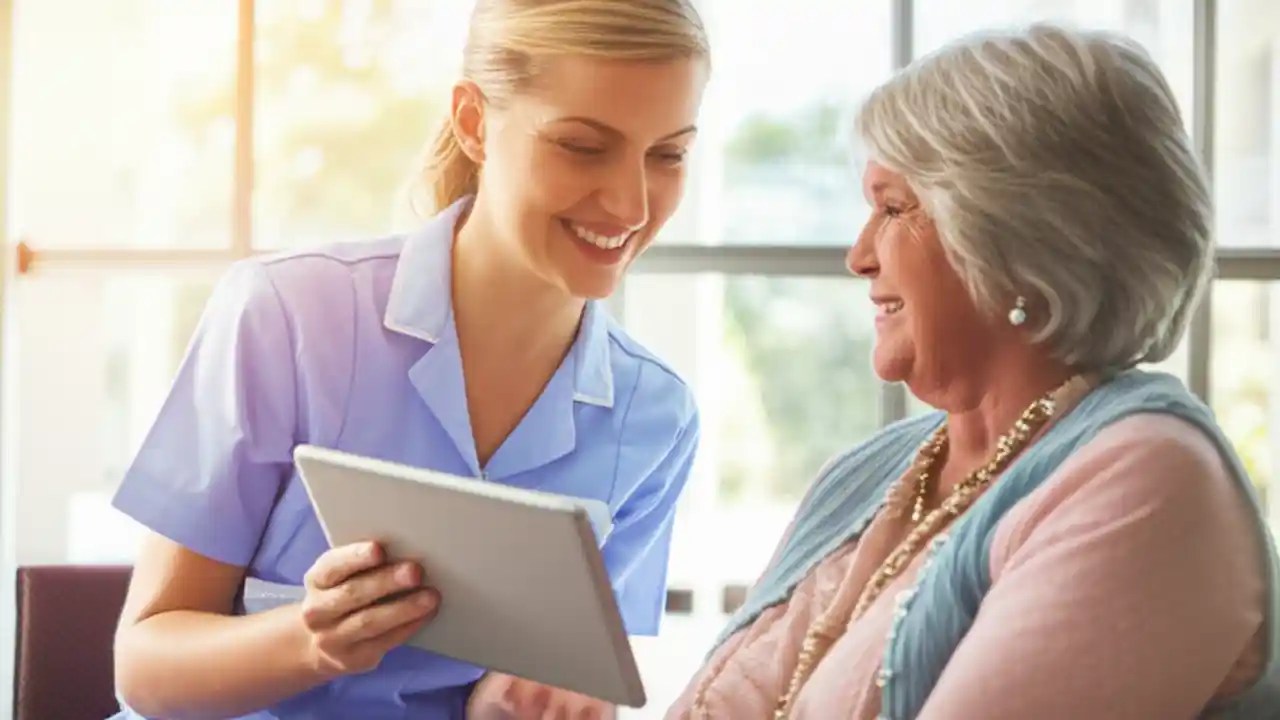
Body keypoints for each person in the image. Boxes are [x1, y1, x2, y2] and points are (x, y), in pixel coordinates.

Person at [109, 1, 709, 718]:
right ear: (474, 122)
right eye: (582, 147)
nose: (632, 205)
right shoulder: (289, 316)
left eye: (668, 155)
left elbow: (567, 688)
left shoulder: (655, 420)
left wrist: (536, 699)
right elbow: (145, 666)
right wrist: (309, 641)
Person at [667, 23, 1280, 720]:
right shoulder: (868, 473)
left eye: (892, 208)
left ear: (1018, 237)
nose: (859, 256)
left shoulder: (1148, 476)